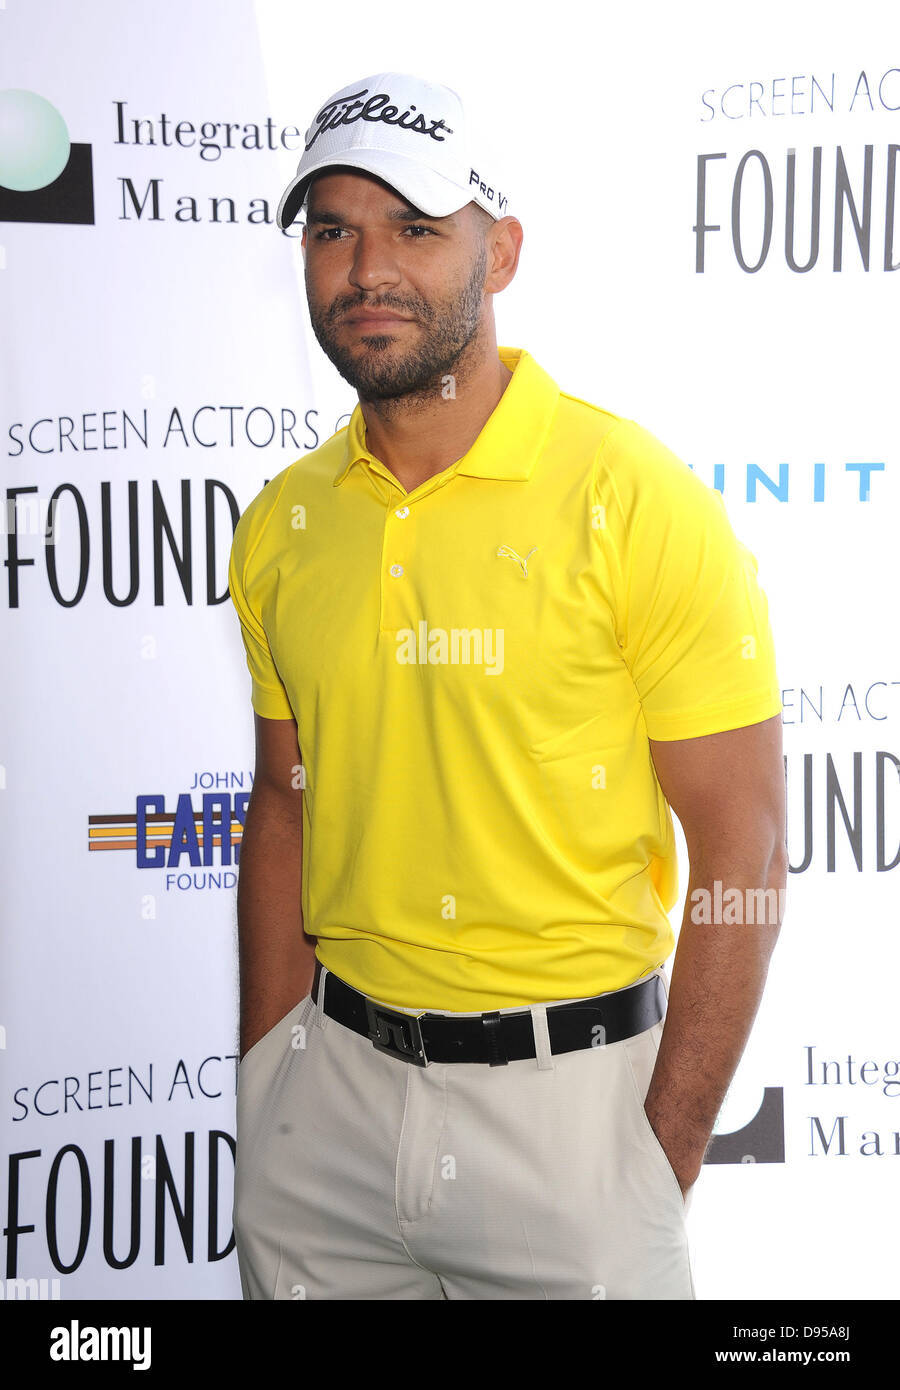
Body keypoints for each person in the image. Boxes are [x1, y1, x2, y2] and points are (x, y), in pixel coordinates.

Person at [227, 71, 786, 1301]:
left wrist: (660, 1151)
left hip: (576, 1127)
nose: (368, 266)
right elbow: (286, 798)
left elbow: (741, 845)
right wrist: (267, 1075)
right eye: (333, 230)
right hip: (327, 1120)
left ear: (504, 248)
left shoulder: (633, 500)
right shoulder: (283, 526)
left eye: (415, 227)